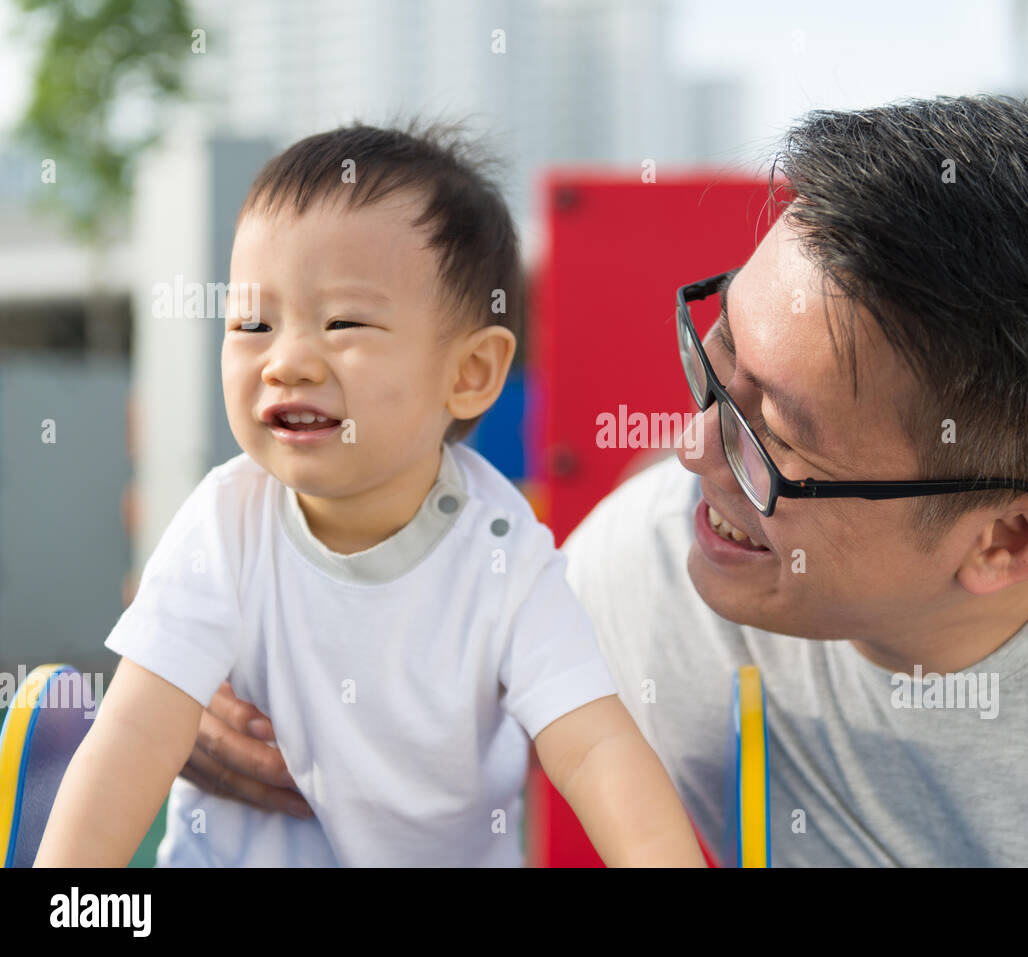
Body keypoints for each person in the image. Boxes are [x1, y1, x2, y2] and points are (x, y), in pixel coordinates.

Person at [178, 97, 1028, 866]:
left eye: (774, 439)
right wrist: (222, 672)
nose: (691, 453)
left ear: (1007, 540)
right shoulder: (640, 573)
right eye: (712, 368)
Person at [34, 123, 705, 867]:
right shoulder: (226, 524)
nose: (286, 361)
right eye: (252, 322)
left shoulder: (504, 554)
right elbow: (134, 733)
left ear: (471, 372)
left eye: (342, 322)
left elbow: (595, 748)